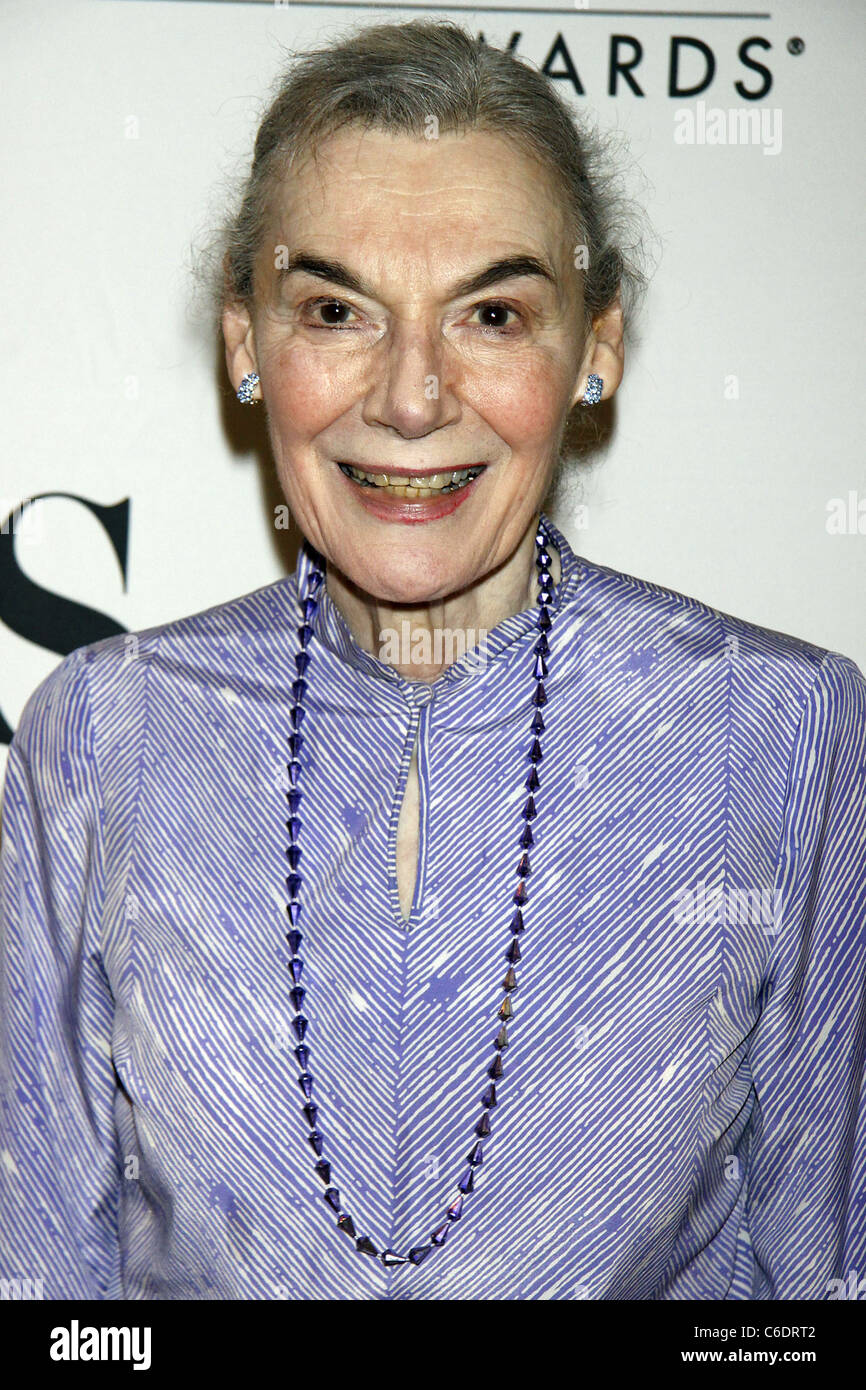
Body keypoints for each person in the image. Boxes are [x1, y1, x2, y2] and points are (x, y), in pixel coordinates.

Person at [1, 18, 864, 1301]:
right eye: (336, 309)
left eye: (494, 313)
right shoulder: (104, 736)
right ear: (246, 342)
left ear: (596, 346)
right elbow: (43, 1303)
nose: (412, 396)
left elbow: (827, 1289)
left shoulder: (778, 734)